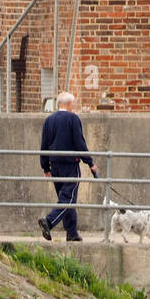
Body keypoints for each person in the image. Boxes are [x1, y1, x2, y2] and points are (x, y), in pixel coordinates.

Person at [38, 91, 97, 242]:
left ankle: (71, 233)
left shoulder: (49, 120)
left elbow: (44, 144)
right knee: (68, 200)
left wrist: (45, 167)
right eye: (73, 104)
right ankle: (49, 222)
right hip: (70, 165)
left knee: (65, 198)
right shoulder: (73, 119)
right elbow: (80, 143)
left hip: (55, 165)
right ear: (69, 104)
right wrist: (90, 163)